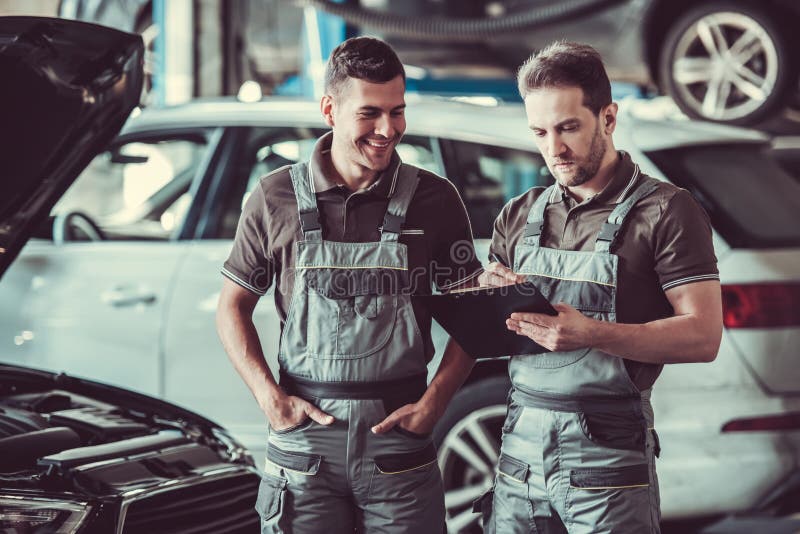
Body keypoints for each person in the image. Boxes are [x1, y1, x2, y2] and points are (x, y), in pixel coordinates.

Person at [215, 36, 482, 533]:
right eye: (370, 113)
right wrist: (269, 398)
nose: (388, 129)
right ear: (329, 109)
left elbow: (476, 312)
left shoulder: (435, 199)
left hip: (398, 439)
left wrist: (436, 402)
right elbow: (232, 306)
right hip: (304, 444)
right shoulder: (274, 197)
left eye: (398, 111)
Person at [474, 41, 723, 533]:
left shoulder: (668, 211)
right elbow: (491, 332)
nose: (554, 149)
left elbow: (703, 336)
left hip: (608, 458)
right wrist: (483, 293)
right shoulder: (518, 214)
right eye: (540, 132)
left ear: (608, 118)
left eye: (568, 127)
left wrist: (592, 333)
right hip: (519, 450)